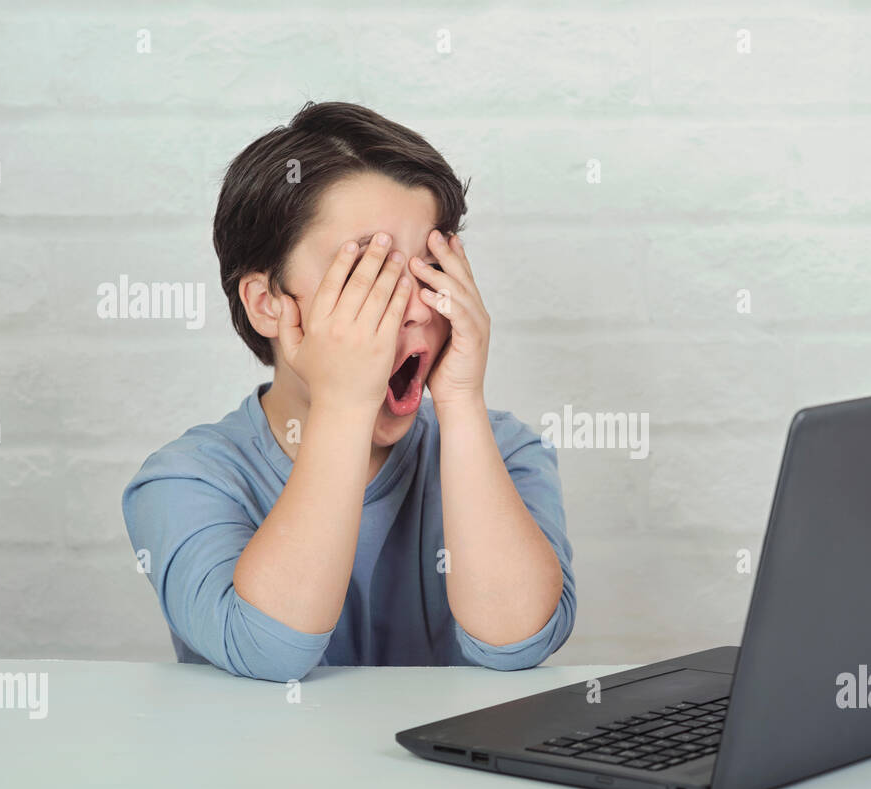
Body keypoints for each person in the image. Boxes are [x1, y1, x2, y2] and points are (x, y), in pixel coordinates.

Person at [122, 101, 575, 681]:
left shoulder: (507, 451)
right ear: (268, 303)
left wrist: (461, 401)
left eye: (428, 272)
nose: (415, 307)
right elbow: (268, 651)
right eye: (369, 274)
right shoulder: (185, 481)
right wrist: (344, 405)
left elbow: (518, 641)